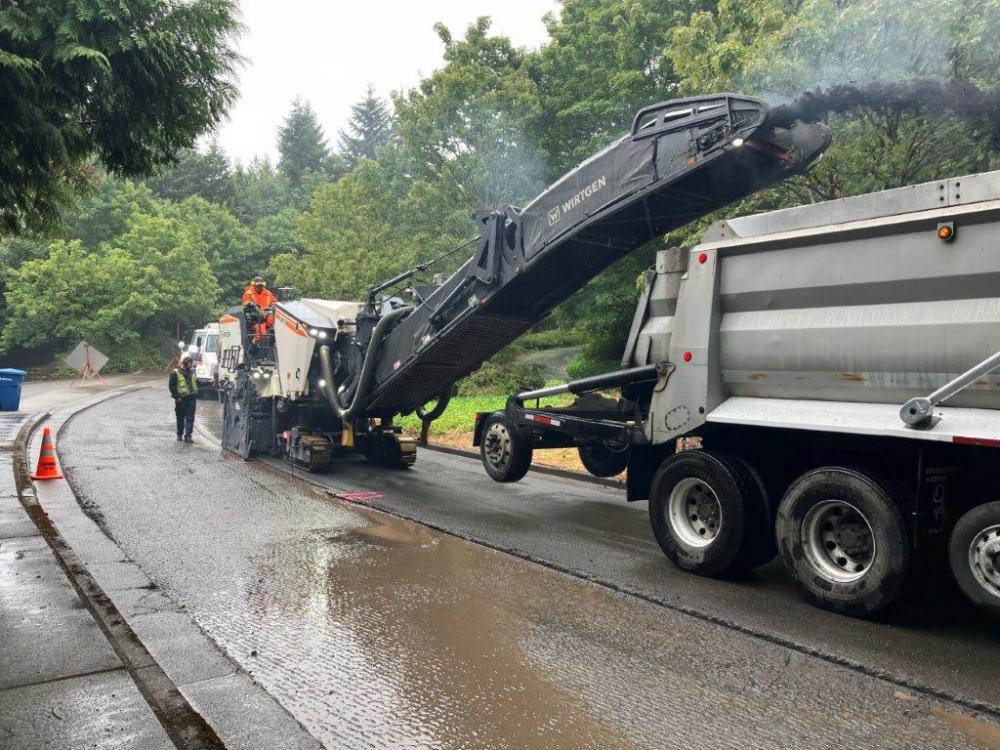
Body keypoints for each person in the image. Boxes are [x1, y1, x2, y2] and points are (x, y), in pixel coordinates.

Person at [169, 354, 198, 442]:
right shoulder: (175, 372)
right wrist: (177, 397)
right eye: (190, 363)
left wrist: (205, 383)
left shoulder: (193, 372)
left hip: (191, 398)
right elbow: (172, 386)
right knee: (180, 417)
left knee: (190, 418)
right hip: (181, 399)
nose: (192, 365)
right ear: (186, 363)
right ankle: (179, 434)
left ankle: (188, 436)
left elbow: (196, 382)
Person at [242, 275, 278, 342]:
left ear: (264, 285)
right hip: (254, 316)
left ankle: (273, 333)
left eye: (261, 285)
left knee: (274, 318)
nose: (260, 287)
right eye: (258, 285)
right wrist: (250, 304)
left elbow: (275, 302)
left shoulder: (268, 293)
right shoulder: (249, 293)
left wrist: (275, 305)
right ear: (253, 284)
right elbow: (245, 302)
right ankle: (254, 344)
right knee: (261, 334)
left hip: (266, 315)